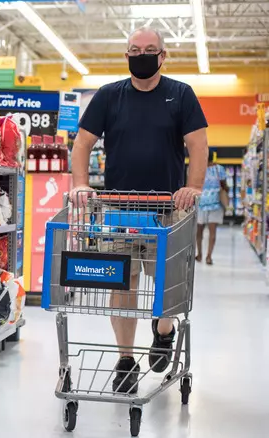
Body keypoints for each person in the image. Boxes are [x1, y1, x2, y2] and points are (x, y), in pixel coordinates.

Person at [70, 27, 208, 394]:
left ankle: (163, 331)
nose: (141, 54)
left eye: (149, 50)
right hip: (119, 209)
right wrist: (81, 183)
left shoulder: (181, 95)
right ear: (127, 54)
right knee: (124, 285)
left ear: (163, 56)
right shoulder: (109, 96)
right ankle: (126, 359)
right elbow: (82, 143)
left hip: (168, 208)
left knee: (168, 284)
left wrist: (193, 187)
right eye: (134, 49)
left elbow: (198, 144)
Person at [196, 150, 228, 264]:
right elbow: (225, 186)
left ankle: (199, 254)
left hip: (200, 204)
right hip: (215, 204)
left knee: (198, 232)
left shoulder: (198, 168)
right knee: (212, 232)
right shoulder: (219, 169)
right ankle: (209, 256)